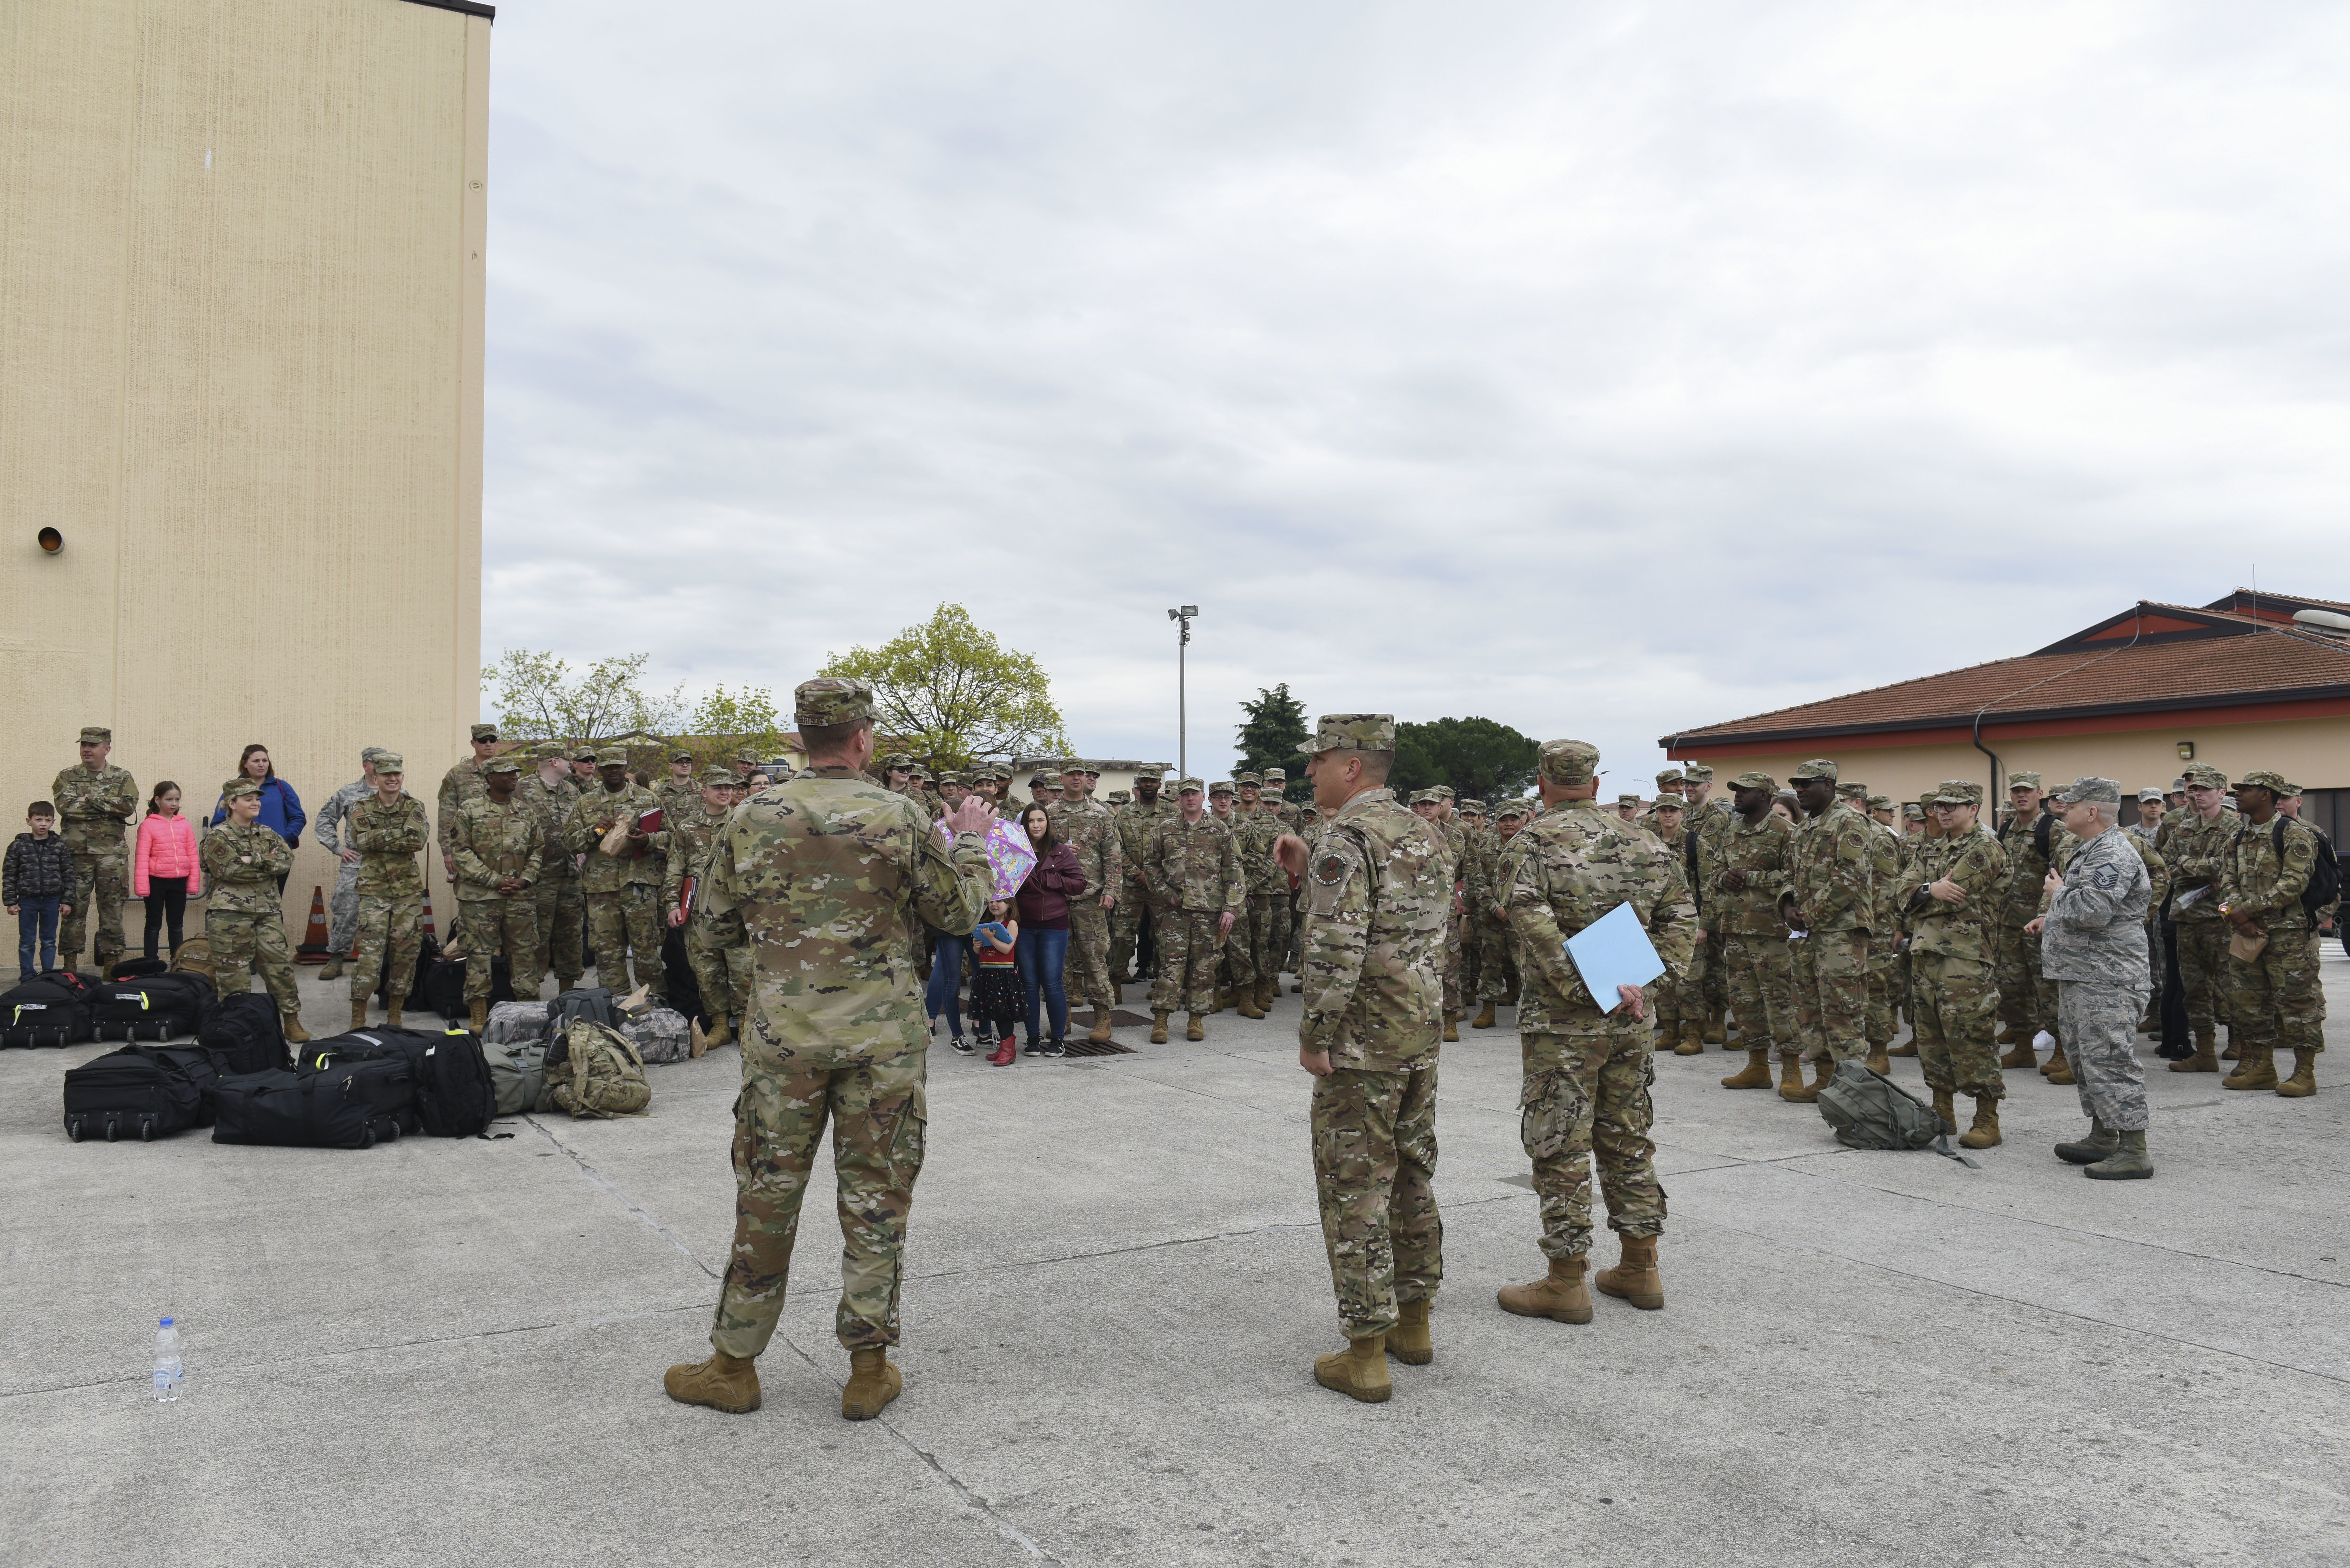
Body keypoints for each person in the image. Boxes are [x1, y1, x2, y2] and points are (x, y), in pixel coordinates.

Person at [662, 677, 993, 1422]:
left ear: (802, 737)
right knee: (876, 1198)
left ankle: (733, 1365)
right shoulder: (900, 814)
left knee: (766, 1198)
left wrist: (741, 1005)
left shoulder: (750, 815)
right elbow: (961, 909)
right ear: (863, 737)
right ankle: (867, 1368)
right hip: (882, 1044)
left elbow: (706, 930)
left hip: (785, 1044)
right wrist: (970, 836)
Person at [1271, 713, 1444, 1403]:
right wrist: (1308, 866)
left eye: (1318, 761)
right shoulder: (1425, 830)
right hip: (1418, 1035)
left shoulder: (1346, 836)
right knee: (1411, 1176)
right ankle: (1415, 1323)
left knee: (1355, 1189)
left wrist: (1315, 1033)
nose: (1309, 772)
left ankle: (1365, 1352)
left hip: (1362, 1045)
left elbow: (1337, 946)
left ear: (1350, 766)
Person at [1494, 739, 1695, 1326]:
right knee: (1627, 1134)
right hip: (1632, 1019)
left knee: (1560, 1142)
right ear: (1596, 785)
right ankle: (1640, 1264)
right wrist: (1639, 988)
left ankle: (1564, 1280)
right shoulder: (1647, 841)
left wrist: (1589, 990)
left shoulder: (1529, 843)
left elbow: (1532, 924)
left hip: (1563, 1022)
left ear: (1541, 782)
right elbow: (1681, 918)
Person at [2036, 777, 2157, 1176]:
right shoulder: (2089, 850)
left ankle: (2134, 1150)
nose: (2061, 810)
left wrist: (2059, 894)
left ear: (2091, 812)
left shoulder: (2113, 854)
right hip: (2081, 974)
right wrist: (2050, 915)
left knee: (2110, 1059)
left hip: (2108, 978)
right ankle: (2103, 1135)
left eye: (2069, 805)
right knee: (2086, 1058)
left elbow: (2093, 911)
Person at [1910, 780, 2009, 1146]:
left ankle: (1987, 1118)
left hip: (1965, 958)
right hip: (1926, 953)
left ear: (1974, 808)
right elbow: (1896, 892)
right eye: (1940, 805)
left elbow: (1957, 896)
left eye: (1955, 805)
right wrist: (1928, 889)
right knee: (1931, 1037)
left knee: (1972, 1036)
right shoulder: (1934, 845)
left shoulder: (1984, 847)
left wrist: (1925, 891)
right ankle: (1942, 1111)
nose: (1945, 811)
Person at [2219, 769, 2326, 1096]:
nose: (2237, 794)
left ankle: (2304, 1073)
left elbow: (2294, 883)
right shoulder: (2237, 836)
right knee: (2248, 1001)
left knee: (2296, 1003)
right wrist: (2238, 917)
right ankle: (2261, 1067)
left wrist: (2248, 910)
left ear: (2266, 794)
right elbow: (2227, 878)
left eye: (2245, 789)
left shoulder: (2294, 834)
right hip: (2247, 932)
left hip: (2288, 934)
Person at [1777, 759, 1875, 1100]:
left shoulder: (1849, 822)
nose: (1800, 790)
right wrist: (1787, 905)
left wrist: (1809, 914)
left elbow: (1850, 879)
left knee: (1842, 1012)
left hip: (1840, 935)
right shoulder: (1804, 829)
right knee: (1809, 1009)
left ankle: (1853, 1091)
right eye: (1797, 784)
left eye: (1808, 784)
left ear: (1830, 786)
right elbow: (1788, 874)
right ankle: (1824, 1079)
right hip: (1807, 935)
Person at [1709, 772, 1800, 1093]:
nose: (1736, 795)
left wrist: (1751, 878)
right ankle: (1757, 1065)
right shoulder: (1732, 830)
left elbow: (1795, 875)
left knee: (1779, 1000)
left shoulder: (1785, 831)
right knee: (1744, 1001)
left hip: (1771, 931)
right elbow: (1716, 870)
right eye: (1734, 789)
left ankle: (1791, 1068)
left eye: (1743, 790)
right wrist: (1725, 878)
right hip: (1735, 928)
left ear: (1763, 795)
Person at [201, 777, 309, 1045]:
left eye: (257, 798)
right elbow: (228, 870)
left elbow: (286, 861)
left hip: (267, 912)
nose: (256, 803)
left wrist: (255, 860)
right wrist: (265, 865)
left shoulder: (267, 833)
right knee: (233, 975)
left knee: (279, 967)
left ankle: (291, 1022)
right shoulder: (218, 836)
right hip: (230, 915)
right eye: (248, 799)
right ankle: (239, 1028)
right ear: (232, 804)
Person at [1141, 777, 1244, 1043]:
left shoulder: (1220, 831)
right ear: (1180, 798)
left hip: (1210, 913)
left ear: (1202, 798)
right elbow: (1151, 865)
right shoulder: (1166, 830)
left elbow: (1234, 871)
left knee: (1204, 968)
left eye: (1194, 794)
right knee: (1170, 967)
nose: (1190, 799)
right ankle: (1161, 1020)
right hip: (1175, 913)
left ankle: (1196, 1019)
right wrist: (1166, 894)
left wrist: (1231, 909)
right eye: (1185, 794)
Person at [449, 756, 543, 1029]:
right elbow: (462, 853)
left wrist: (526, 879)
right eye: (506, 774)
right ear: (490, 779)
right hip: (481, 899)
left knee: (525, 954)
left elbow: (538, 850)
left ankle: (529, 1013)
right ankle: (478, 1014)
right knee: (479, 955)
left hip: (520, 897)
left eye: (515, 773)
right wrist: (494, 880)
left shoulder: (526, 812)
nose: (514, 777)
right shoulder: (469, 810)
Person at [564, 746, 666, 998]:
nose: (614, 771)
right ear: (600, 770)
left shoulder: (648, 799)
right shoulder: (585, 802)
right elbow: (569, 843)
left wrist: (649, 840)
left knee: (647, 953)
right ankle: (615, 1008)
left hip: (639, 886)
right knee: (608, 954)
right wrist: (595, 832)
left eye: (618, 766)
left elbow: (672, 838)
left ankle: (655, 1007)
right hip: (602, 891)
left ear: (625, 767)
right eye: (608, 767)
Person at [2160, 762, 2238, 1072]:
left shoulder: (2233, 827)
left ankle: (2240, 1045)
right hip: (2188, 915)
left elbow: (2225, 868)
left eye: (2205, 790)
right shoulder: (2183, 827)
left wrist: (2186, 865)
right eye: (2194, 790)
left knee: (2230, 983)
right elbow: (2166, 862)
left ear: (2221, 792)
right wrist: (2196, 866)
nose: (2198, 795)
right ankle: (2206, 1052)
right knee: (2195, 987)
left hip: (2222, 915)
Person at [664, 765, 750, 1046]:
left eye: (728, 788)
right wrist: (671, 904)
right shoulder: (687, 827)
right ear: (704, 793)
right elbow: (675, 867)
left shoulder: (742, 821)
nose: (725, 792)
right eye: (718, 788)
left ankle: (748, 1026)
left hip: (735, 910)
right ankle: (721, 1026)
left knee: (742, 970)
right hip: (699, 912)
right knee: (706, 970)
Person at [345, 754, 431, 1029]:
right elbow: (361, 841)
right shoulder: (360, 806)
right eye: (386, 775)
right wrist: (399, 833)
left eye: (397, 774)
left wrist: (380, 835)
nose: (392, 779)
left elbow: (417, 841)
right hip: (374, 891)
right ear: (376, 777)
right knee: (369, 956)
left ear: (403, 776)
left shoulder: (415, 806)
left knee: (405, 954)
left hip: (407, 892)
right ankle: (359, 1014)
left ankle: (395, 1013)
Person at [51, 726, 137, 972]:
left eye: (92, 745)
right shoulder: (66, 776)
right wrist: (108, 805)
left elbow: (128, 807)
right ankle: (70, 963)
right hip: (76, 854)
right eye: (83, 745)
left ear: (106, 749)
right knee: (73, 909)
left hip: (112, 855)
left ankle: (111, 962)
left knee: (112, 909)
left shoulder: (122, 777)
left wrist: (89, 800)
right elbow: (66, 808)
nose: (86, 749)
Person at [1048, 764, 1124, 1043]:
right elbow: (1033, 851)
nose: (1077, 779)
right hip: (1055, 896)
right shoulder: (1048, 813)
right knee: (1059, 962)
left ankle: (1103, 1017)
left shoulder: (1102, 814)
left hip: (1091, 898)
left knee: (1095, 960)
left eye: (1081, 775)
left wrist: (1112, 890)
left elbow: (1114, 857)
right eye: (1071, 775)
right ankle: (1062, 1016)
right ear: (1062, 779)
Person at [1014, 803, 1084, 1055]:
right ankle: (1032, 1038)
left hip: (1054, 926)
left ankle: (1057, 1038)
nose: (1036, 825)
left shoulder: (1061, 851)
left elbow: (1080, 884)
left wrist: (1053, 879)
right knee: (1029, 984)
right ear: (1024, 824)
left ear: (1047, 823)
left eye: (1040, 820)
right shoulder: (1016, 851)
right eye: (1031, 821)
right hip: (1024, 925)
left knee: (1053, 984)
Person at [312, 749, 388, 980]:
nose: (383, 768)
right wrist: (339, 848)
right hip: (356, 865)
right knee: (346, 911)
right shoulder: (348, 793)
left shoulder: (398, 793)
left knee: (388, 915)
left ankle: (385, 964)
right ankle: (337, 958)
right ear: (366, 766)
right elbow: (324, 822)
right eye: (378, 763)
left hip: (388, 867)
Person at [522, 745, 586, 997]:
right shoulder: (523, 789)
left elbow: (580, 825)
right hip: (539, 877)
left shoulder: (572, 791)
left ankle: (567, 995)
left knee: (571, 938)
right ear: (554, 761)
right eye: (568, 759)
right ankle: (531, 996)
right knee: (536, 937)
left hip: (571, 876)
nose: (572, 763)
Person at [208, 745, 306, 895]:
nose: (262, 765)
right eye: (256, 761)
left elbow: (298, 817)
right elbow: (218, 822)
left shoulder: (281, 787)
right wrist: (234, 846)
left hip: (274, 853)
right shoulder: (235, 788)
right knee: (242, 899)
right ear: (245, 764)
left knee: (273, 901)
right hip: (243, 856)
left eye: (265, 761)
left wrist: (283, 838)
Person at [6, 802, 74, 978]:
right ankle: (28, 976)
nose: (43, 824)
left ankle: (48, 975)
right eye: (38, 820)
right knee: (27, 941)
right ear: (29, 821)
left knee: (49, 941)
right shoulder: (18, 846)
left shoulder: (59, 846)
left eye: (47, 820)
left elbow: (68, 874)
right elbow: (10, 875)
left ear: (53, 822)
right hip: (27, 901)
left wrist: (67, 900)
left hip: (52, 900)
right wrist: (11, 901)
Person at [133, 783, 199, 960]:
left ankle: (176, 961)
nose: (174, 803)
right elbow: (142, 857)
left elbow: (193, 855)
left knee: (177, 925)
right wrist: (142, 887)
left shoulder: (184, 825)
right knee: (154, 925)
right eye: (169, 799)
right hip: (156, 882)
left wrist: (193, 883)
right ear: (157, 800)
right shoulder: (148, 826)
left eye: (177, 799)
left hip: (179, 882)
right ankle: (151, 962)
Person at [437, 723, 502, 882]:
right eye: (483, 740)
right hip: (470, 851)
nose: (488, 744)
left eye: (492, 740)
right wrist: (448, 852)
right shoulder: (457, 774)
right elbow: (447, 815)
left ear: (497, 742)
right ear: (474, 743)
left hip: (504, 849)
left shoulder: (507, 772)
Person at [972, 900, 1023, 1065]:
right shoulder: (987, 925)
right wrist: (977, 944)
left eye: (1000, 901)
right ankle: (1003, 1047)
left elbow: (1007, 949)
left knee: (1005, 1013)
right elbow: (978, 951)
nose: (995, 905)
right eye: (992, 901)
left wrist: (991, 938)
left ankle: (1009, 1049)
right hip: (987, 972)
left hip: (1003, 974)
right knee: (996, 1011)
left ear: (1010, 905)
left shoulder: (1011, 924)